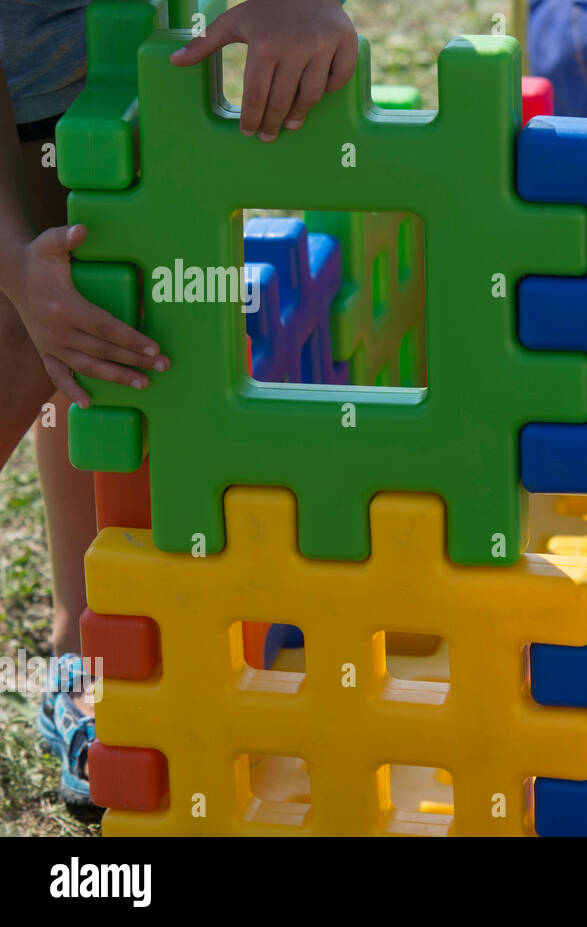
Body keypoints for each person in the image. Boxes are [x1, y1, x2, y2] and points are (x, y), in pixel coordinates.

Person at [0, 0, 358, 809]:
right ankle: (86, 650)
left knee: (98, 309)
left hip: (95, 50)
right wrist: (14, 267)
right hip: (31, 67)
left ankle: (90, 637)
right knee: (30, 330)